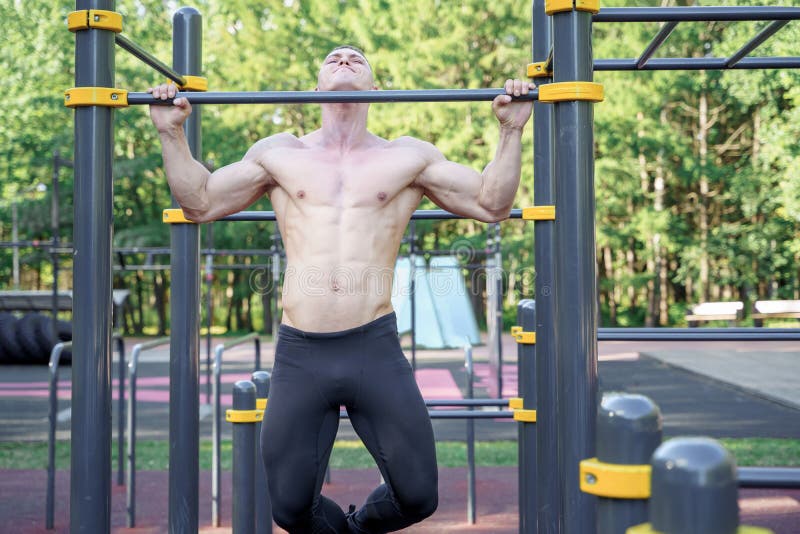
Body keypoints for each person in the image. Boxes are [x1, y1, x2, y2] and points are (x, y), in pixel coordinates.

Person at [148, 45, 533, 533]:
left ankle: (356, 528)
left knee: (418, 496)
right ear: (314, 89)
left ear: (375, 88)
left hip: (373, 345)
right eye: (334, 57)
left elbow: (492, 203)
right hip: (300, 352)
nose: (345, 59)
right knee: (288, 509)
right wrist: (170, 133)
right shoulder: (279, 153)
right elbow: (200, 202)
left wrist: (512, 128)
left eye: (357, 58)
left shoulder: (407, 157)